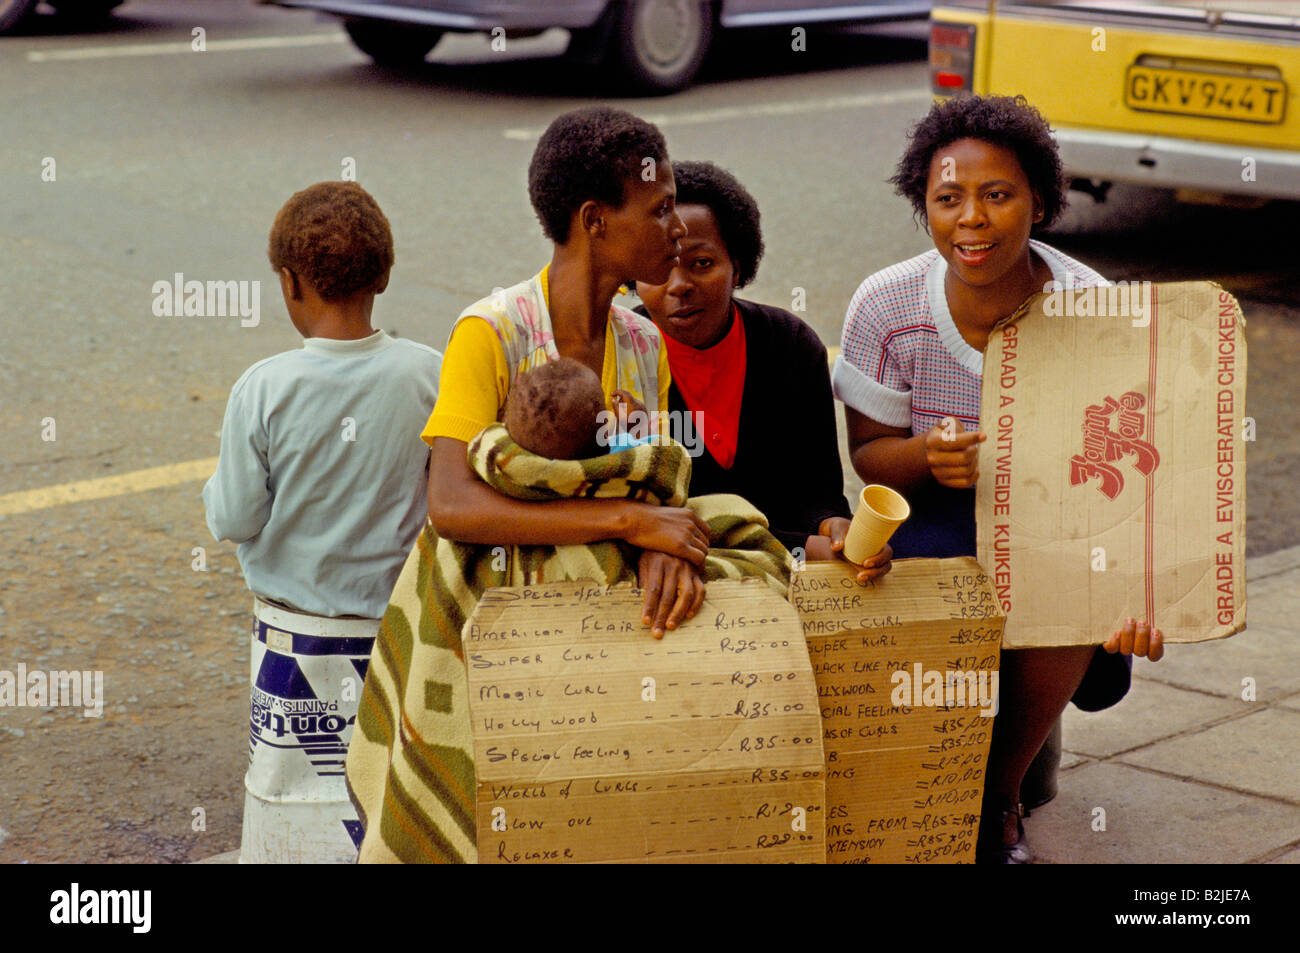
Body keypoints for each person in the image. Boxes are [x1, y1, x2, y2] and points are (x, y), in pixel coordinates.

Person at [832, 95, 1164, 863]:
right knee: (930, 600)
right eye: (948, 198)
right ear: (924, 206)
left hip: (1066, 522)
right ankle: (940, 778)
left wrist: (1142, 586)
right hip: (938, 514)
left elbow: (1140, 476)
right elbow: (870, 451)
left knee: (1068, 586)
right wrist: (926, 458)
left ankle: (999, 796)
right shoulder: (886, 305)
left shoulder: (1093, 308)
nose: (971, 219)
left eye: (997, 194)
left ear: (1040, 202)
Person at [202, 181, 442, 862]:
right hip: (394, 640)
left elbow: (237, 513)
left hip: (294, 642)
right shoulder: (428, 375)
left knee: (292, 806)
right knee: (386, 794)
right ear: (385, 274)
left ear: (288, 281)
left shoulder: (265, 386)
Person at [634, 159, 890, 583]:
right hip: (666, 569)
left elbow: (818, 492)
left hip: (787, 557)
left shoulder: (789, 345)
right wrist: (807, 546)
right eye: (660, 267)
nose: (678, 284)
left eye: (701, 263)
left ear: (737, 263)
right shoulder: (621, 357)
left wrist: (836, 529)